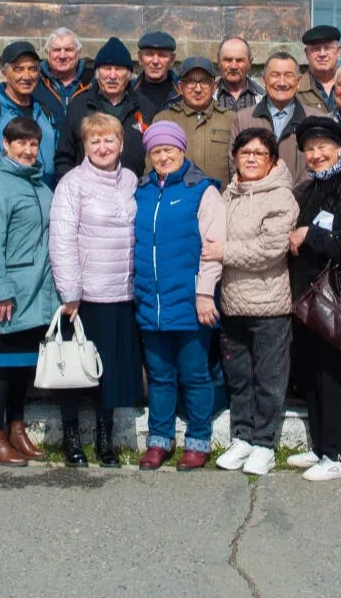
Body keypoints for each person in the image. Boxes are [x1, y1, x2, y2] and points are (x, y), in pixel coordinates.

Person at [49, 112, 141, 467]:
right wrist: (70, 290)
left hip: (122, 293)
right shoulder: (72, 184)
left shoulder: (131, 180)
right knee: (75, 371)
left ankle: (105, 440)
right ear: (85, 146)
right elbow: (62, 239)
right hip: (85, 295)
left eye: (109, 140)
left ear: (120, 144)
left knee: (110, 372)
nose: (103, 147)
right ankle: (71, 437)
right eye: (95, 141)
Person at [135, 121, 225, 471]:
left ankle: (198, 440)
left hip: (190, 303)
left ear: (182, 150)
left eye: (169, 149)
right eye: (156, 151)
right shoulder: (141, 191)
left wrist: (205, 294)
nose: (163, 156)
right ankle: (159, 440)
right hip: (151, 302)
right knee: (159, 375)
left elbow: (213, 247)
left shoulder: (202, 191)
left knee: (194, 374)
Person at [285, 117, 341, 481]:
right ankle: (321, 446)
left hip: (334, 295)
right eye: (310, 149)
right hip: (311, 296)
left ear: (338, 148)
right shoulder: (316, 185)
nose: (317, 154)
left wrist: (309, 234)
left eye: (324, 147)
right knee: (315, 374)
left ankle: (338, 453)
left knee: (334, 378)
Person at [209, 127, 298, 477]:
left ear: (272, 160)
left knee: (269, 380)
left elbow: (270, 250)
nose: (250, 159)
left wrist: (223, 252)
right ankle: (242, 437)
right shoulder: (226, 195)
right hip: (232, 304)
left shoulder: (281, 197)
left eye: (259, 154)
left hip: (269, 305)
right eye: (244, 153)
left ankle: (264, 443)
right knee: (239, 377)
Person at [0, 117, 61, 467]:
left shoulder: (40, 185)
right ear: (5, 145)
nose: (27, 150)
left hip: (38, 292)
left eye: (33, 144)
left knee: (23, 365)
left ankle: (16, 428)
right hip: (8, 293)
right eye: (20, 143)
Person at [55, 36, 145, 177]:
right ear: (97, 73)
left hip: (132, 191)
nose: (112, 75)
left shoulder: (144, 106)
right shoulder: (79, 106)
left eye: (119, 69)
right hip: (87, 193)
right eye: (107, 68)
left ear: (129, 74)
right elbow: (64, 158)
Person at [232, 50, 326, 184]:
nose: (282, 82)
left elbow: (319, 166)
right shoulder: (243, 119)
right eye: (275, 75)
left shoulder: (316, 121)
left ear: (299, 81)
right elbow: (235, 163)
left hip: (302, 202)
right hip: (255, 201)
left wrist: (287, 197)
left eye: (288, 75)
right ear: (263, 80)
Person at [0, 41, 59, 184]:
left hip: (44, 195)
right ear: (4, 75)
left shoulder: (44, 111)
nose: (26, 76)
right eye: (18, 69)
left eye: (32, 69)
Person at [153, 55, 233, 182]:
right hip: (177, 199)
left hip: (219, 199)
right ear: (180, 87)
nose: (198, 89)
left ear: (214, 86)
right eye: (190, 82)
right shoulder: (164, 120)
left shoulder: (231, 120)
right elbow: (152, 169)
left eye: (204, 81)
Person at [34, 27, 93, 126]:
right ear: (47, 53)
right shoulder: (35, 83)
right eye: (56, 50)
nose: (62, 56)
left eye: (68, 50)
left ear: (79, 53)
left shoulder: (93, 82)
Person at [133, 30, 179, 119]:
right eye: (149, 54)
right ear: (140, 58)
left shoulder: (182, 94)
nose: (155, 61)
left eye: (162, 55)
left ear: (172, 60)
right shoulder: (128, 92)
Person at [297, 25, 341, 113]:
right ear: (306, 53)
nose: (322, 54)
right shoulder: (296, 89)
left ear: (338, 52)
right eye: (316, 48)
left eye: (328, 48)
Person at [215, 35, 265, 112]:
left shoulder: (263, 96)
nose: (233, 66)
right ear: (218, 61)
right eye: (228, 60)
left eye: (239, 60)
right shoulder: (208, 95)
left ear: (250, 63)